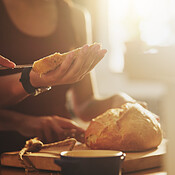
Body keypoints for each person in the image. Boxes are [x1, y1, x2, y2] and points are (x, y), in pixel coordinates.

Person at [0, 0, 138, 154]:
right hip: (7, 153)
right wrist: (22, 122)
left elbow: (85, 104)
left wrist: (116, 101)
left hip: (60, 152)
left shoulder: (75, 16)